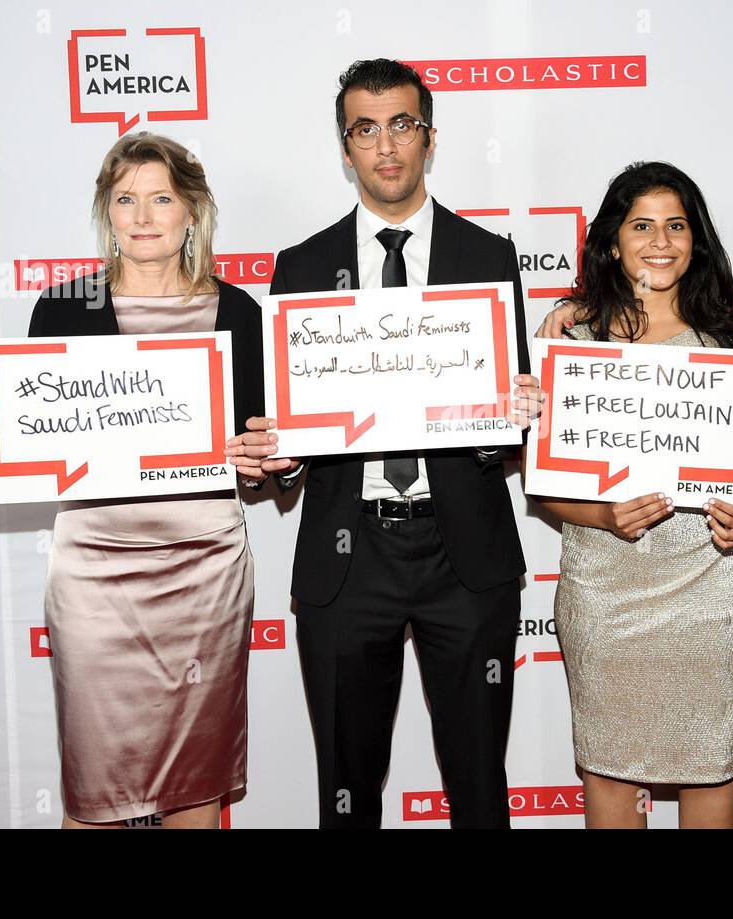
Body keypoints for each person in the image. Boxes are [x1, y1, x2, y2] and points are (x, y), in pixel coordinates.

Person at [228, 58, 543, 828]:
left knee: (479, 786)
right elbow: (287, 436)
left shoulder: (489, 256)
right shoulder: (302, 267)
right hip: (347, 554)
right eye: (365, 130)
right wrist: (283, 453)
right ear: (346, 148)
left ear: (429, 138)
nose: (386, 145)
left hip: (465, 555)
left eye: (402, 124)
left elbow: (511, 425)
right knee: (346, 789)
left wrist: (519, 415)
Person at [0, 132, 263, 829]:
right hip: (95, 575)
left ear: (192, 211)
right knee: (94, 794)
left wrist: (276, 458)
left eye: (160, 198)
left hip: (204, 574)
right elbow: (34, 428)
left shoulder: (239, 313)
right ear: (105, 212)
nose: (142, 216)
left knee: (197, 790)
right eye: (125, 199)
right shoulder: (62, 307)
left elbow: (265, 449)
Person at [531, 162, 733, 829]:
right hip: (605, 589)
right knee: (608, 771)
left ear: (697, 240)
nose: (660, 240)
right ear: (610, 241)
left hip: (710, 590)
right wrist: (601, 512)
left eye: (676, 224)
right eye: (641, 225)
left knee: (713, 765)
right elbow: (542, 482)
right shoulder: (571, 340)